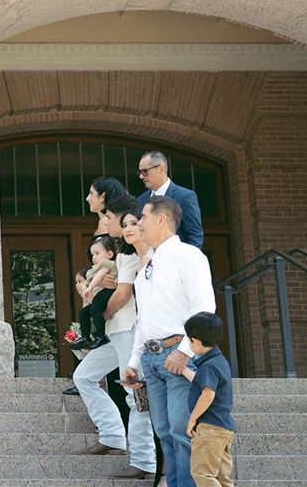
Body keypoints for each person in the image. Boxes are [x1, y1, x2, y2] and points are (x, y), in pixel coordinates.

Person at [123, 196, 216, 487]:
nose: (138, 226)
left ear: (161, 220)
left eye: (143, 220)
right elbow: (144, 321)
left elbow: (204, 308)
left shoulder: (189, 256)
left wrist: (185, 351)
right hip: (150, 360)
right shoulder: (147, 265)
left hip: (178, 352)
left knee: (181, 428)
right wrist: (133, 363)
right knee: (163, 430)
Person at [97, 198, 159, 481]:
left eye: (134, 223)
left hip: (157, 338)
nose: (128, 228)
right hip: (139, 336)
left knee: (140, 398)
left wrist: (101, 315)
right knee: (137, 396)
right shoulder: (131, 258)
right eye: (125, 225)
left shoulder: (159, 257)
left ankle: (149, 462)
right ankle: (145, 461)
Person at [182, 312, 236, 487]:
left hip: (209, 428)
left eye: (189, 340)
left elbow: (208, 394)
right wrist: (182, 369)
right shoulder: (219, 361)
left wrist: (192, 419)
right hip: (224, 428)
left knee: (202, 473)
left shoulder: (208, 366)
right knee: (221, 478)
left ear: (196, 341)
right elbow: (202, 381)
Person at [135, 151, 204, 248]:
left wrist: (185, 260)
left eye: (145, 171)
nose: (141, 176)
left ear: (161, 169)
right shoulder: (141, 200)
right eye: (139, 172)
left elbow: (195, 235)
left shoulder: (185, 196)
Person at [68, 237, 118, 350]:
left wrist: (90, 287)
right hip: (103, 291)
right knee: (83, 312)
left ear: (110, 254)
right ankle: (85, 337)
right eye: (92, 254)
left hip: (109, 291)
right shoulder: (96, 267)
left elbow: (100, 275)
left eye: (97, 253)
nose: (94, 257)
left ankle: (101, 336)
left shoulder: (107, 264)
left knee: (95, 309)